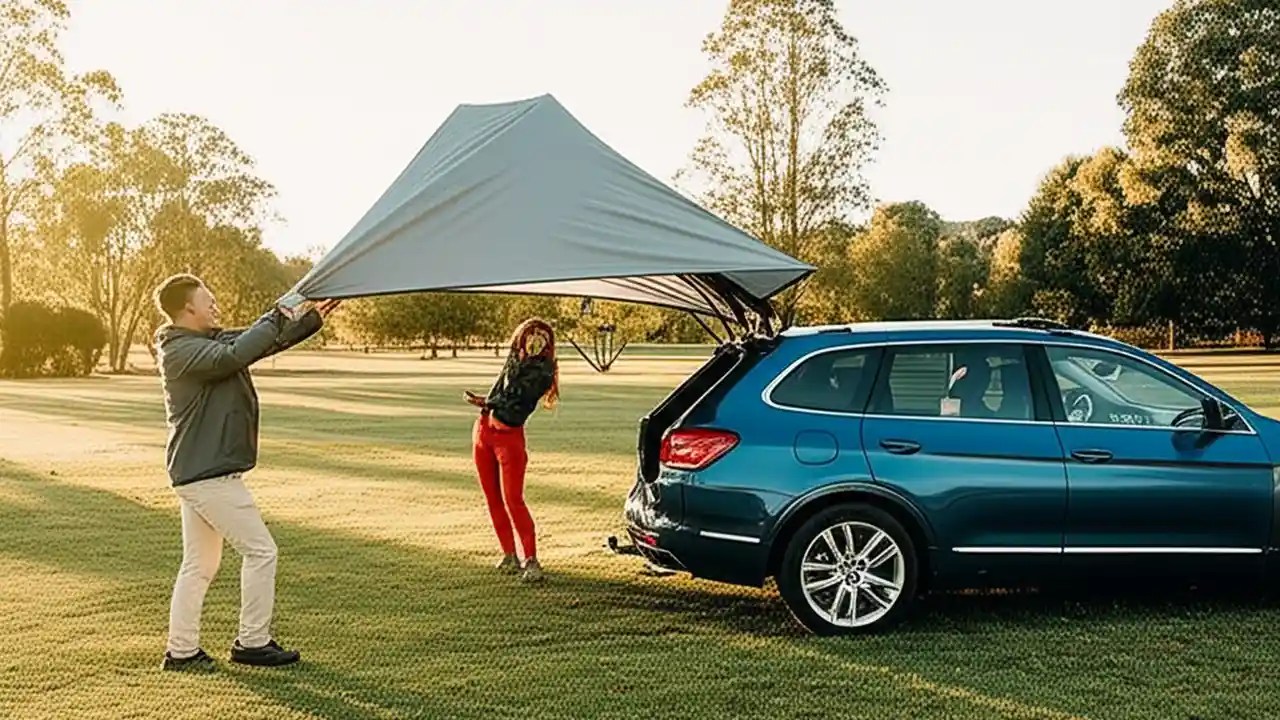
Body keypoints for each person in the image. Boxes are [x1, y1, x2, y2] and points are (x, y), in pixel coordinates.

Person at [153, 273, 339, 672]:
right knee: (261, 552)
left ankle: (181, 651)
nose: (215, 306)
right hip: (207, 475)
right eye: (209, 300)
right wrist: (281, 310)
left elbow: (260, 339)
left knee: (199, 566)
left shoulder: (206, 341)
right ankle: (253, 642)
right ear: (188, 308)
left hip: (202, 473)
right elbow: (234, 355)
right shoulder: (180, 351)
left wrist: (308, 318)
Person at [464, 318, 560, 583]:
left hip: (509, 440)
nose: (534, 340)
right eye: (530, 334)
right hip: (484, 432)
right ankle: (509, 554)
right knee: (492, 498)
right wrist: (484, 401)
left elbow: (517, 393)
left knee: (513, 500)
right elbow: (501, 389)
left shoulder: (543, 371)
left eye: (541, 336)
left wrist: (520, 358)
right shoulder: (513, 359)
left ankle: (531, 559)